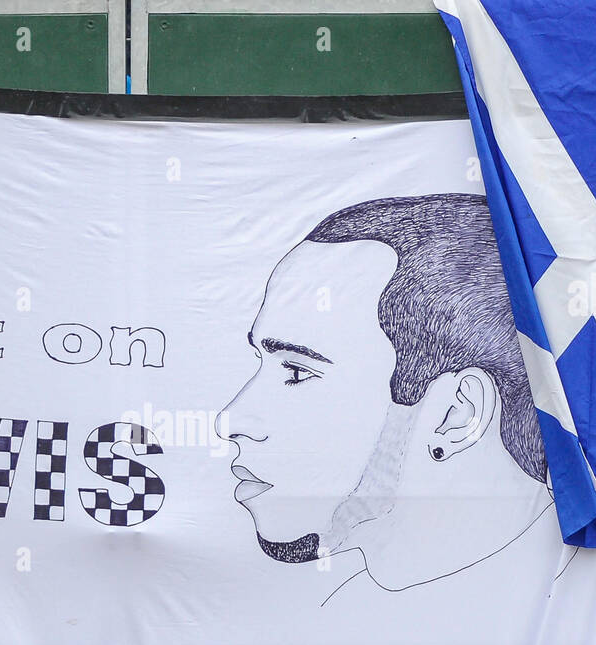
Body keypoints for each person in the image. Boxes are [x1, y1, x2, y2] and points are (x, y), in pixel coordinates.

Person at [215, 193, 570, 602]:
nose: (229, 420)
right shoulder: (339, 618)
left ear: (458, 415)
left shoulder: (573, 636)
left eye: (296, 372)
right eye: (261, 360)